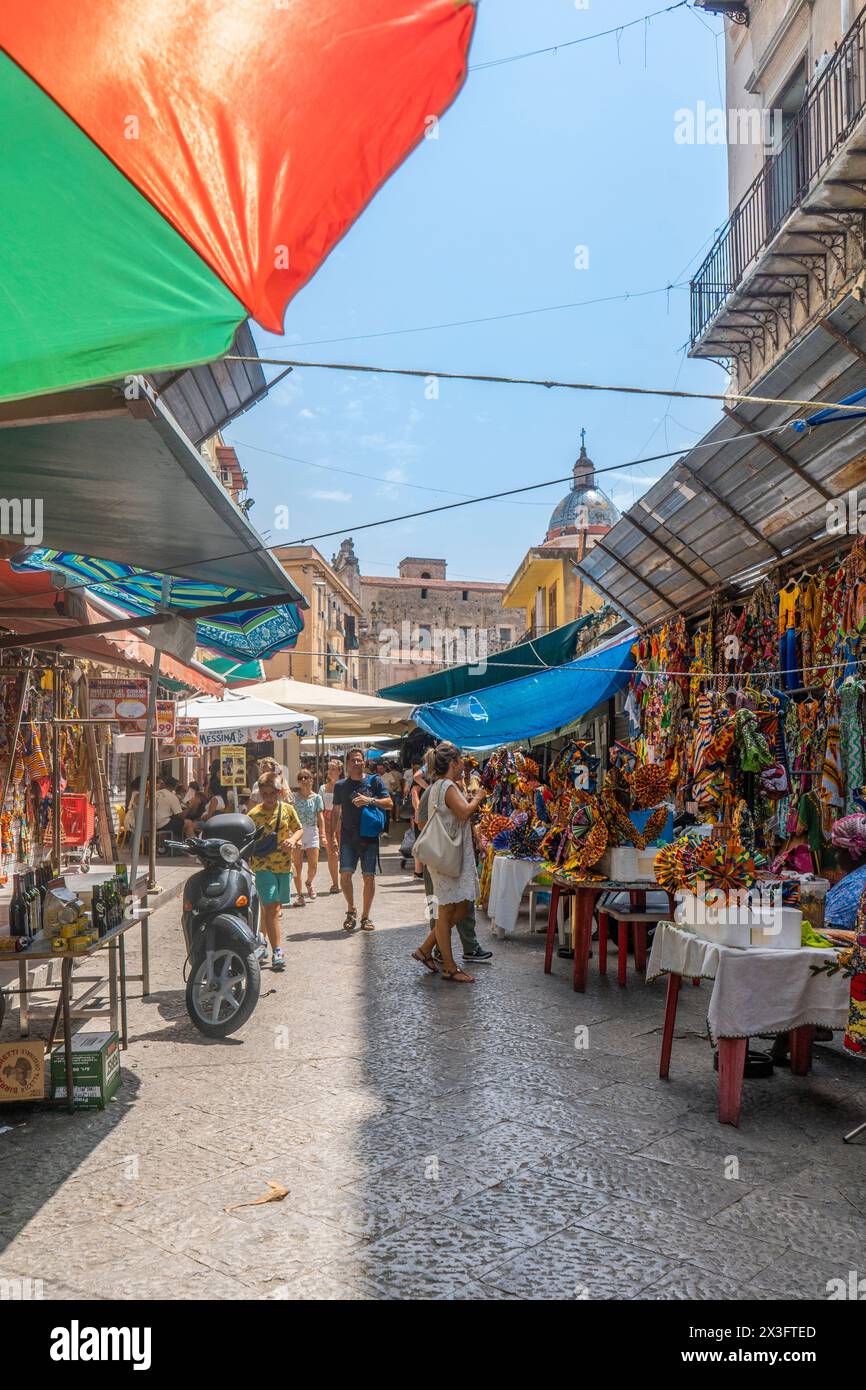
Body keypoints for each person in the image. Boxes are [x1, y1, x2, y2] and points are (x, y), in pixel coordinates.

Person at [411, 741, 486, 983]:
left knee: (461, 907)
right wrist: (479, 798)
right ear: (453, 764)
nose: (464, 762)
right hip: (448, 855)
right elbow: (464, 812)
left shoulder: (438, 786)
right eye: (461, 759)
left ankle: (425, 949)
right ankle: (450, 968)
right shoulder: (446, 786)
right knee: (446, 912)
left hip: (449, 855)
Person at [247, 772, 303, 970]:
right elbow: (246, 840)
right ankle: (277, 950)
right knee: (271, 907)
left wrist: (293, 840)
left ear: (279, 792)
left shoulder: (287, 809)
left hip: (284, 866)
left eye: (273, 793)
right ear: (260, 794)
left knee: (276, 909)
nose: (269, 798)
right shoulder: (252, 815)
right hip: (262, 866)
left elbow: (299, 828)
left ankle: (261, 940)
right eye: (265, 794)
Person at [332, 747, 392, 932]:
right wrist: (332, 836)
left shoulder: (374, 782)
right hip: (348, 838)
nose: (357, 763)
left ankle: (365, 916)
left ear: (364, 762)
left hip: (369, 838)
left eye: (359, 760)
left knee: (369, 877)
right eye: (353, 761)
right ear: (347, 764)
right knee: (345, 875)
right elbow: (335, 812)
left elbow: (389, 804)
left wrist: (370, 800)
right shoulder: (341, 786)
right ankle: (351, 910)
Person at [292, 770, 326, 905]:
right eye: (301, 778)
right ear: (298, 781)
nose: (304, 780)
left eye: (307, 777)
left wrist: (323, 835)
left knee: (313, 864)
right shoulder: (293, 797)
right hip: (297, 832)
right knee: (297, 866)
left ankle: (309, 882)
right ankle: (300, 895)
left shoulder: (317, 797)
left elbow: (320, 818)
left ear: (312, 780)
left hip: (312, 831)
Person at [319, 757, 343, 893]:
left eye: (333, 769)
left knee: (343, 852)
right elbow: (320, 809)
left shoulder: (344, 786)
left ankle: (344, 880)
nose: (330, 771)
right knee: (331, 854)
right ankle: (335, 883)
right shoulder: (323, 788)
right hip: (327, 821)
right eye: (329, 768)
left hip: (343, 820)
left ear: (340, 771)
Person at [183, 770, 227, 838]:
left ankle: (194, 843)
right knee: (190, 823)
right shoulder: (221, 798)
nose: (207, 787)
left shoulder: (215, 799)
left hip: (208, 823)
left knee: (188, 825)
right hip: (211, 822)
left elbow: (209, 816)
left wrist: (200, 818)